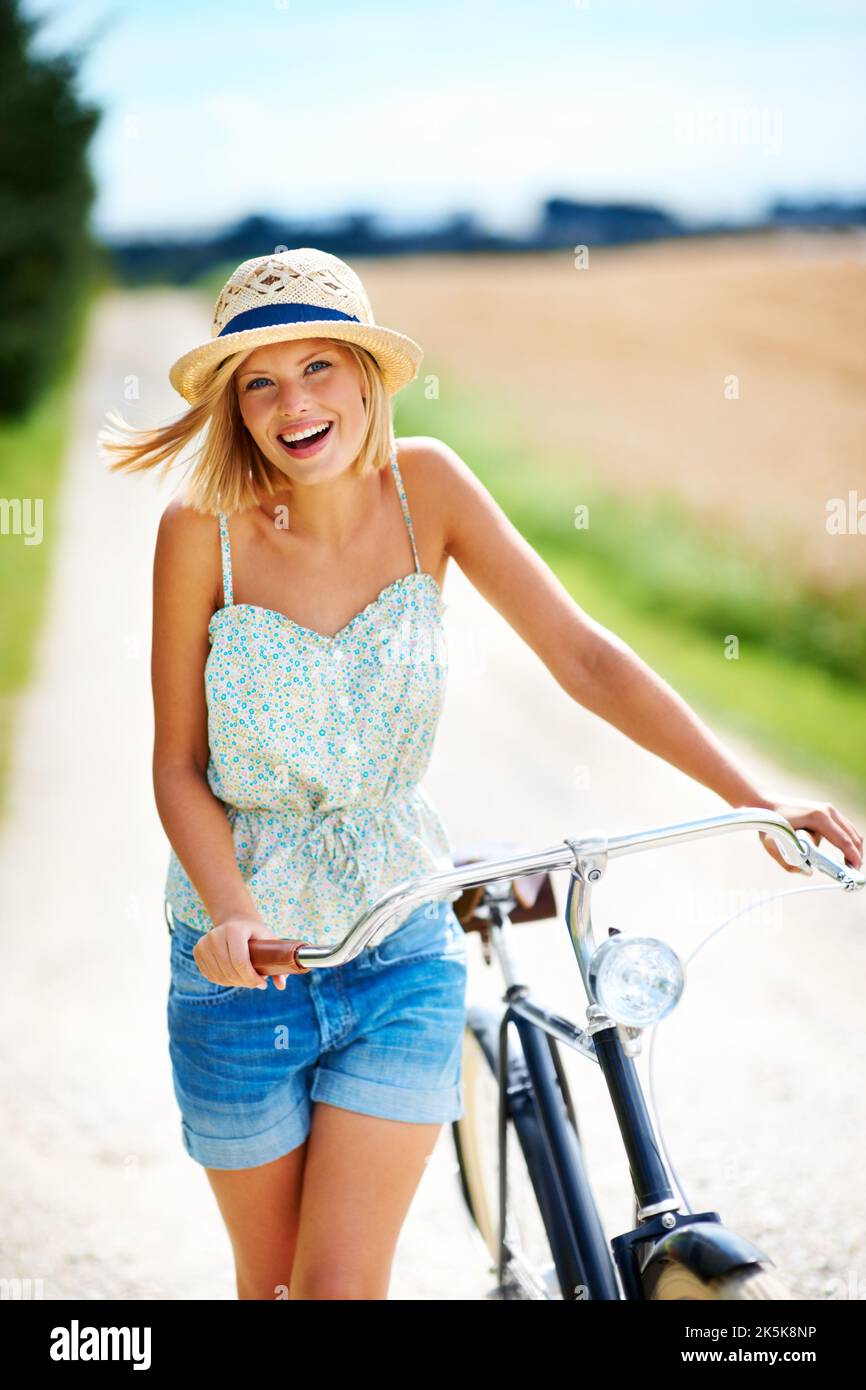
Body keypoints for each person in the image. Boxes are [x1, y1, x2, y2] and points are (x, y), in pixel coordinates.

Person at [100, 246, 863, 1300]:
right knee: (268, 1286)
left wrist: (750, 797)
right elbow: (177, 764)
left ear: (368, 375)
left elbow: (585, 656)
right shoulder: (199, 531)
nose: (294, 402)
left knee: (335, 1291)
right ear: (235, 404)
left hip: (399, 948)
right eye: (261, 381)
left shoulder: (429, 486)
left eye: (319, 366)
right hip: (240, 979)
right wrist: (229, 916)